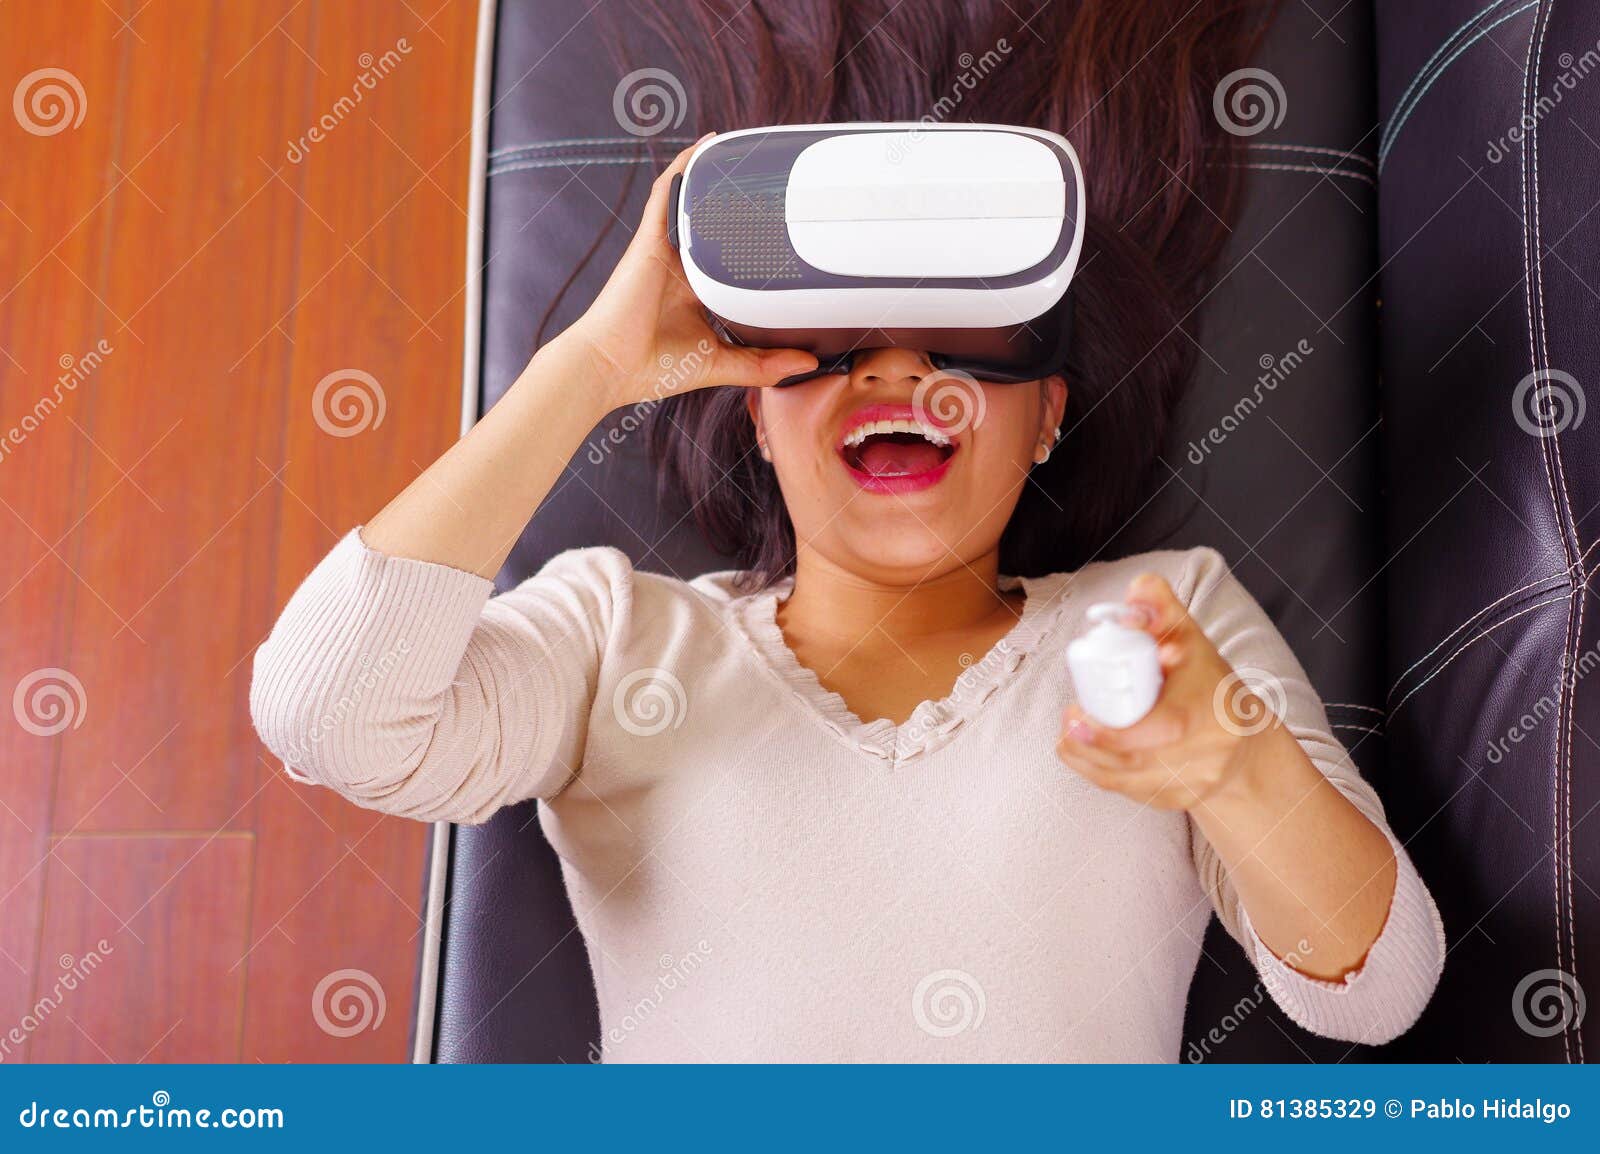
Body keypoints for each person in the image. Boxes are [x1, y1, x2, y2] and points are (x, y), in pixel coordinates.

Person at [250, 2, 1445, 1061]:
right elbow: (329, 713)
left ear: (1045, 421)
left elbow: (1375, 992)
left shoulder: (1153, 622)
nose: (896, 370)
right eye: (829, 341)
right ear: (758, 422)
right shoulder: (616, 636)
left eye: (966, 341)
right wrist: (595, 363)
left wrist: (1236, 768)